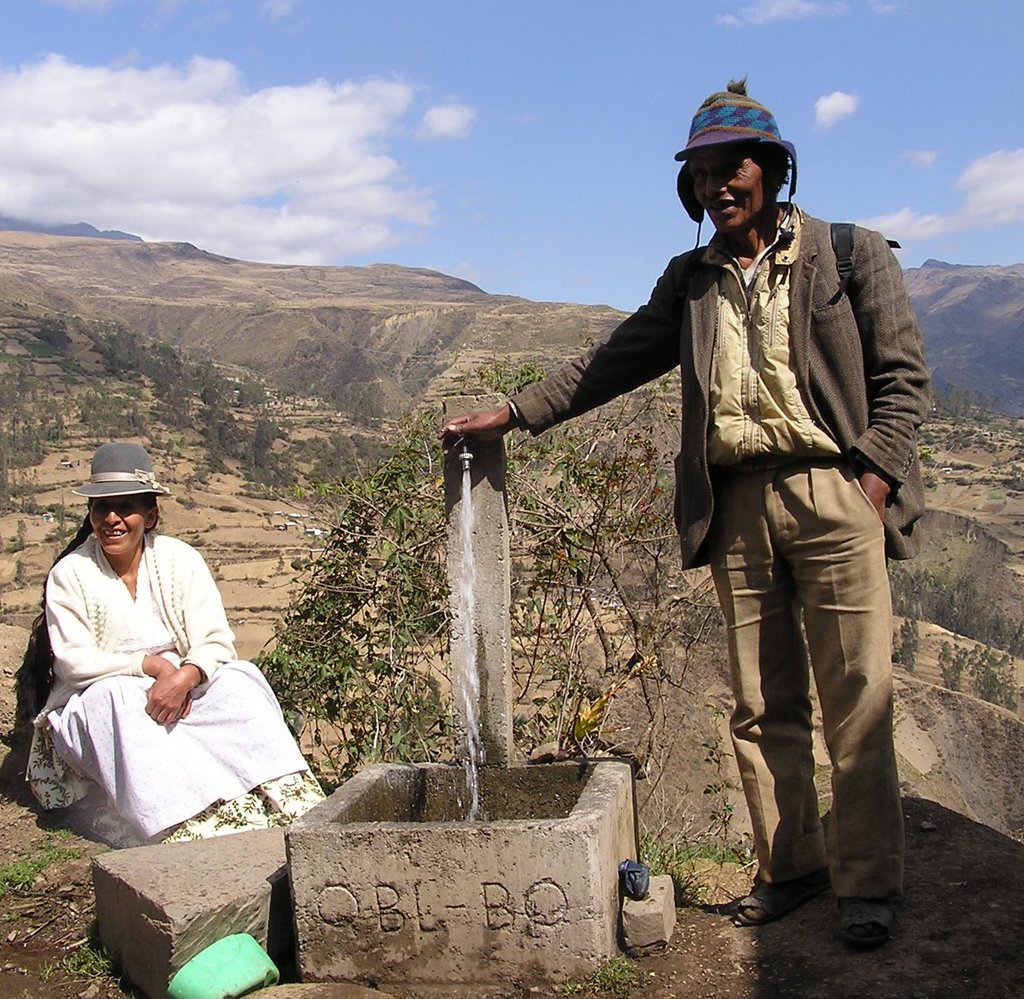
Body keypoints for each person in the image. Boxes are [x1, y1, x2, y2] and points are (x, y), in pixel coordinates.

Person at [442, 80, 929, 948]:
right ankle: (792, 866)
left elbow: (902, 381)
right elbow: (614, 360)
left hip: (833, 490)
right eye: (701, 174)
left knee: (858, 694)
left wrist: (873, 483)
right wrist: (514, 412)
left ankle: (867, 882)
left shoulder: (849, 255)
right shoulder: (692, 280)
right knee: (758, 701)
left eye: (732, 168)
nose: (717, 187)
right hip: (736, 503)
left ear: (772, 169)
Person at [24, 441, 324, 845]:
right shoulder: (70, 574)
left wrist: (186, 674)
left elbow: (215, 641)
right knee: (116, 698)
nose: (111, 519)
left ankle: (287, 797)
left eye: (125, 507)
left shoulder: (180, 560)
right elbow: (74, 664)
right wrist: (147, 667)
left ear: (150, 516)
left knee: (242, 679)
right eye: (101, 508)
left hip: (179, 691)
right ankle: (180, 821)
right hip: (98, 703)